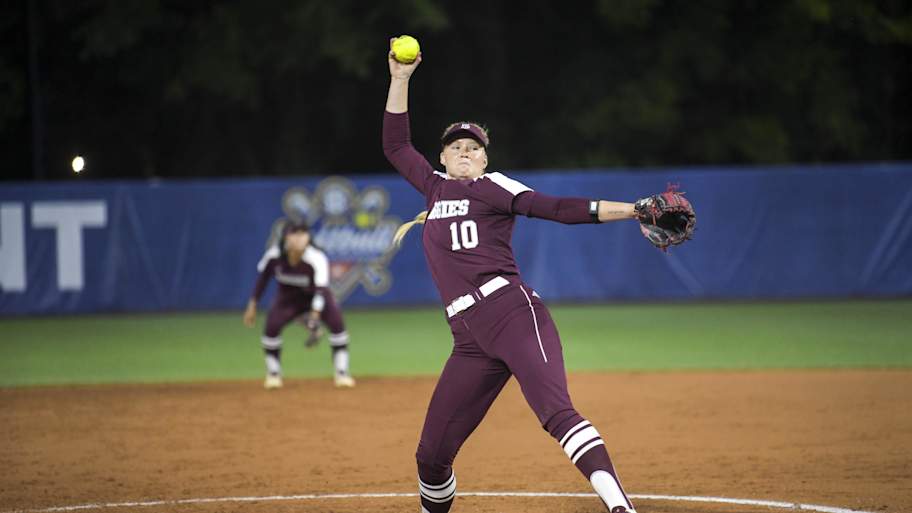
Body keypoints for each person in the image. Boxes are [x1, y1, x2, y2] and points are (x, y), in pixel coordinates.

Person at [383, 41, 641, 513]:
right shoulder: (434, 189)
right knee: (431, 456)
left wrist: (634, 210)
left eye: (473, 148)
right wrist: (400, 79)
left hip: (511, 313)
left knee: (555, 413)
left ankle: (620, 507)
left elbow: (558, 209)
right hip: (468, 339)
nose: (465, 151)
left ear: (484, 160)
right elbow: (396, 145)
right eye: (456, 146)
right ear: (441, 158)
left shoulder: (493, 186)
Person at [243, 221, 355, 389]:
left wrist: (315, 315)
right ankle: (273, 374)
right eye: (294, 233)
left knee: (338, 325)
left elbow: (320, 290)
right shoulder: (274, 256)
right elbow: (262, 280)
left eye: (303, 233)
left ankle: (341, 373)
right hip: (287, 300)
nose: (299, 238)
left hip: (316, 298)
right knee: (271, 328)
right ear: (286, 237)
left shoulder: (316, 257)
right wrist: (252, 305)